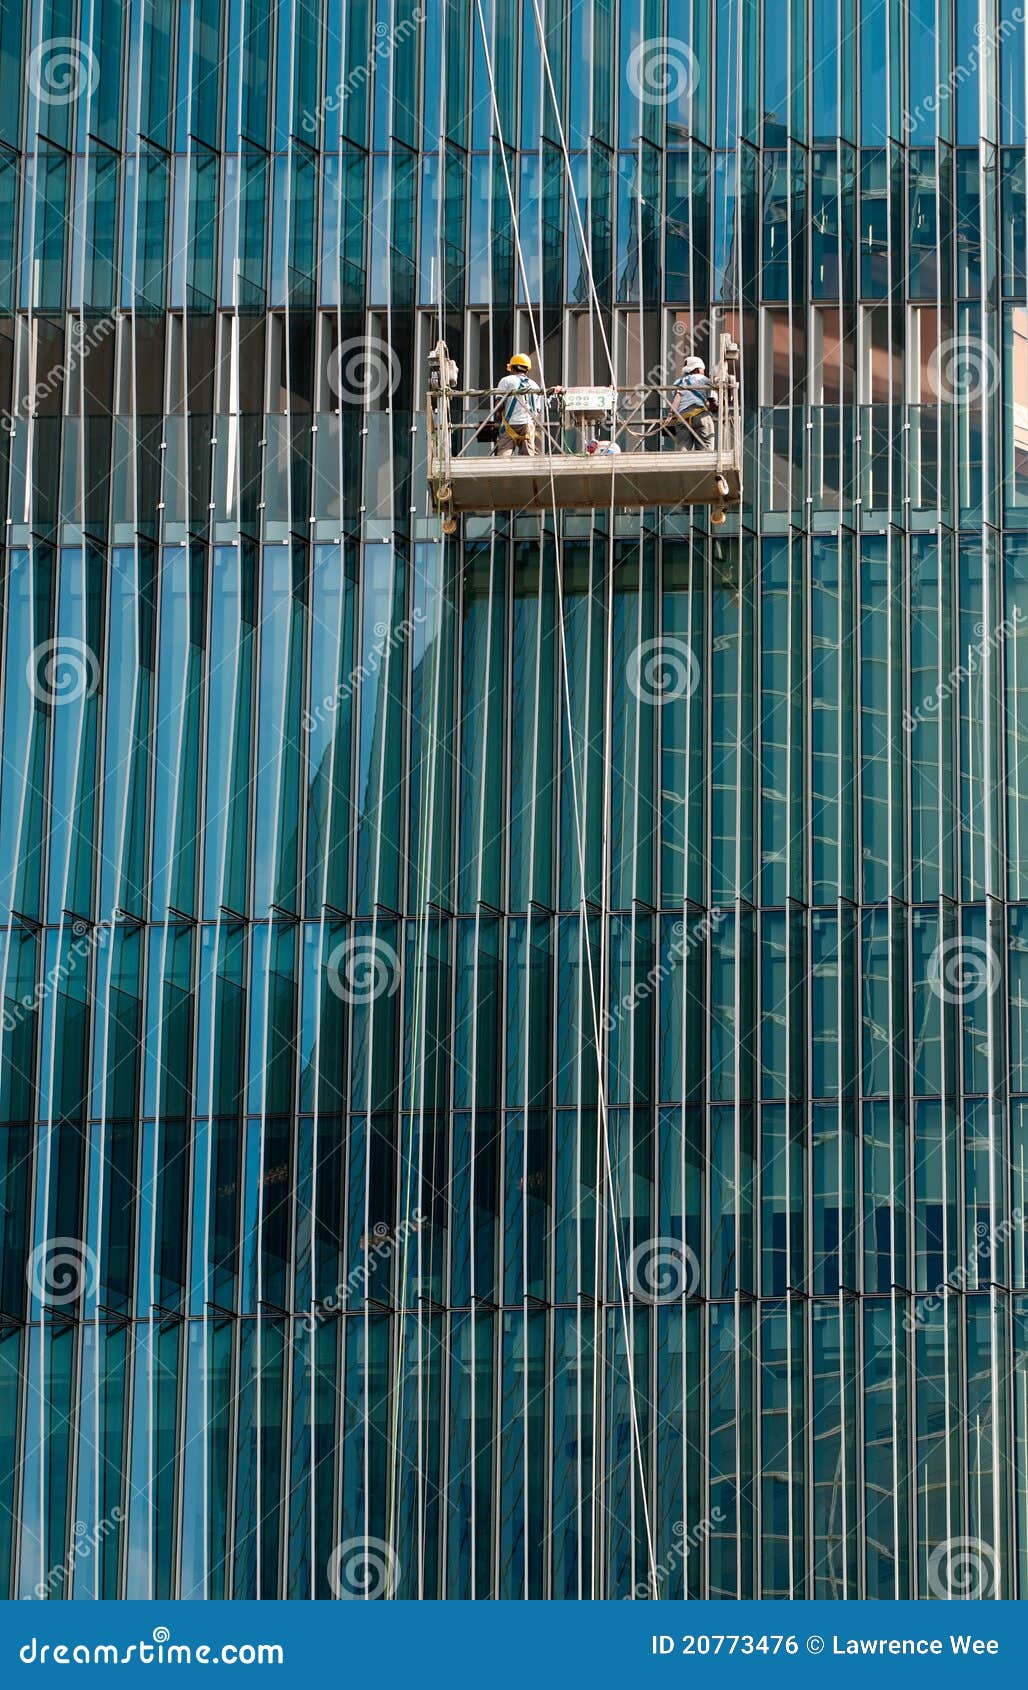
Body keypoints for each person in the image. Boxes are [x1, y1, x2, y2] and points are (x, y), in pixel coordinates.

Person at [493, 353, 543, 456]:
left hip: (510, 424)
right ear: (527, 370)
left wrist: (499, 415)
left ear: (512, 368)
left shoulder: (506, 381)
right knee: (527, 459)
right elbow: (537, 411)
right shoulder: (534, 385)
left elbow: (499, 404)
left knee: (504, 457)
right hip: (528, 425)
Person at [670, 355, 717, 449]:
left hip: (682, 418)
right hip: (700, 415)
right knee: (706, 452)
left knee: (682, 453)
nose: (703, 372)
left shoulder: (677, 383)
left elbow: (676, 399)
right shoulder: (702, 379)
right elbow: (714, 404)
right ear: (698, 370)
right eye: (702, 370)